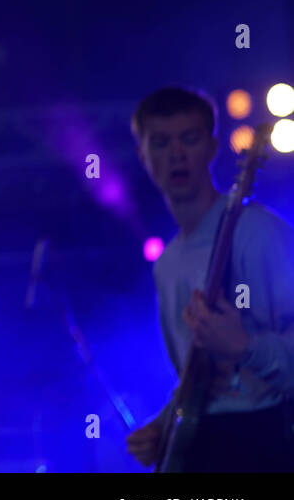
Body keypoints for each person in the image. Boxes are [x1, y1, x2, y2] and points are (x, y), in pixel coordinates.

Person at [125, 86, 294, 471]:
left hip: (265, 442)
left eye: (190, 138)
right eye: (161, 142)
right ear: (142, 155)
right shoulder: (166, 264)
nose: (177, 154)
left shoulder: (257, 234)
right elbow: (195, 379)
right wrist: (164, 426)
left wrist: (245, 346)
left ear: (213, 147)